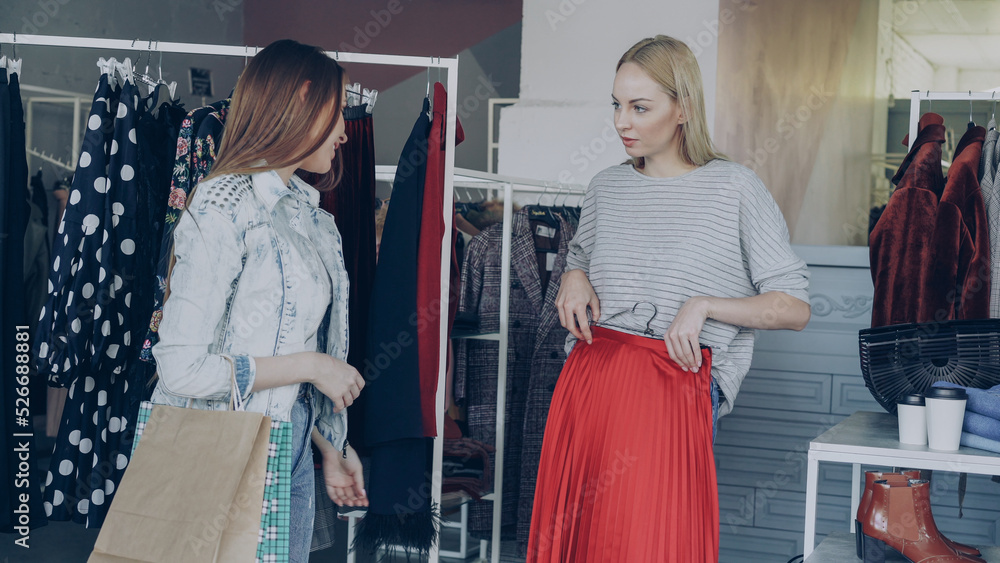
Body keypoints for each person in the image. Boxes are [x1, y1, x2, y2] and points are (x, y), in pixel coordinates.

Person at [527, 36, 811, 562]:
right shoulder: (605, 187)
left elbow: (794, 308)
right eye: (617, 104)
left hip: (674, 383)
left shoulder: (735, 188)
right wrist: (574, 275)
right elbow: (582, 256)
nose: (622, 122)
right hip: (590, 376)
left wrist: (706, 305)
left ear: (683, 108)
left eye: (640, 107)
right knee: (582, 542)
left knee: (651, 544)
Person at [150, 39, 368, 561]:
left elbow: (283, 356)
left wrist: (329, 446)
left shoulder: (314, 219)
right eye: (338, 111)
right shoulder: (224, 203)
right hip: (219, 454)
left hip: (288, 448)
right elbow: (181, 369)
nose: (344, 130)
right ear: (303, 99)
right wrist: (314, 365)